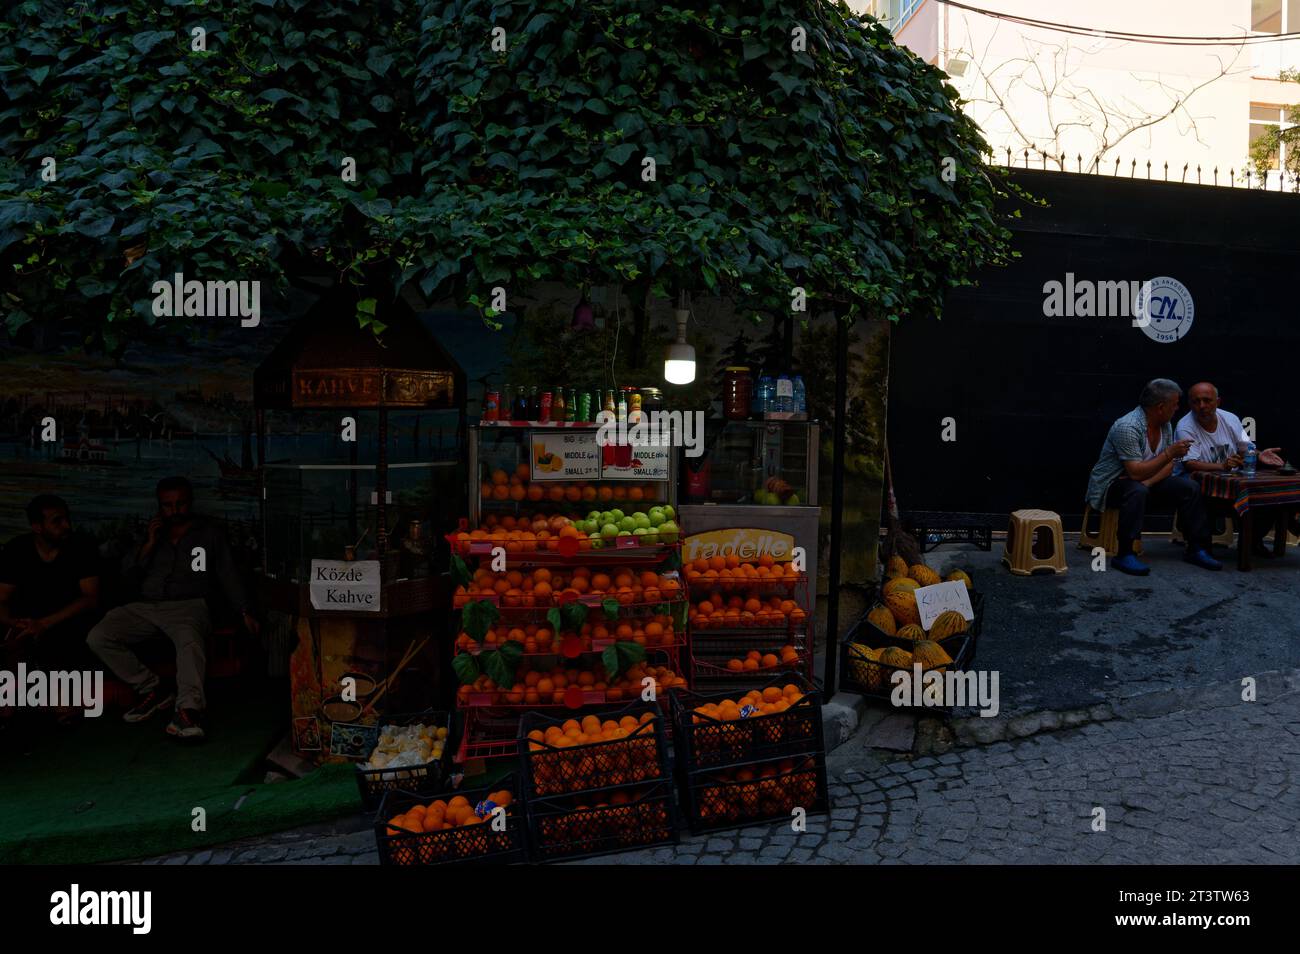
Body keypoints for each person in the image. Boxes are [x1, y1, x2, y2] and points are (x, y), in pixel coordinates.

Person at [87, 477, 259, 741]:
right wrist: (149, 542)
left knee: (189, 640)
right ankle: (151, 689)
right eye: (167, 505)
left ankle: (188, 709)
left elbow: (227, 573)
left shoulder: (208, 533)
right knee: (99, 636)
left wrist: (245, 611)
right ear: (159, 506)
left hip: (189, 605)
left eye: (180, 504)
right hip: (146, 605)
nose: (174, 510)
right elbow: (127, 574)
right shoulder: (150, 533)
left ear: (190, 502)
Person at [1084, 378, 1222, 575]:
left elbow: (1169, 467)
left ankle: (1196, 548)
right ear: (1160, 407)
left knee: (1190, 487)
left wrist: (1149, 482)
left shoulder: (1165, 425)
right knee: (1136, 490)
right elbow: (1134, 471)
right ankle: (1125, 553)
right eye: (1174, 405)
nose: (1176, 409)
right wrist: (1168, 455)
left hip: (1146, 482)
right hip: (1113, 485)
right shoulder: (1128, 427)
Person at [0, 496, 101, 721]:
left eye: (67, 519)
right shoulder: (18, 548)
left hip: (67, 620)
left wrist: (44, 624)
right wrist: (11, 621)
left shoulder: (81, 546)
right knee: (14, 643)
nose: (67, 526)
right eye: (57, 521)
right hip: (26, 621)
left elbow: (90, 598)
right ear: (37, 526)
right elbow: (2, 598)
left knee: (64, 706)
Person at [1175, 382, 1287, 558]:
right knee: (1198, 492)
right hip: (1201, 480)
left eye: (1207, 400)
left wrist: (1259, 455)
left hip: (1231, 477)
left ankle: (1252, 542)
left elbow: (1246, 449)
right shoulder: (1185, 426)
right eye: (1196, 401)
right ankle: (1200, 547)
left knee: (1267, 494)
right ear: (1190, 404)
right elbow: (1190, 464)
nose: (1202, 406)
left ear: (1218, 402)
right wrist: (1222, 466)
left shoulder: (1231, 419)